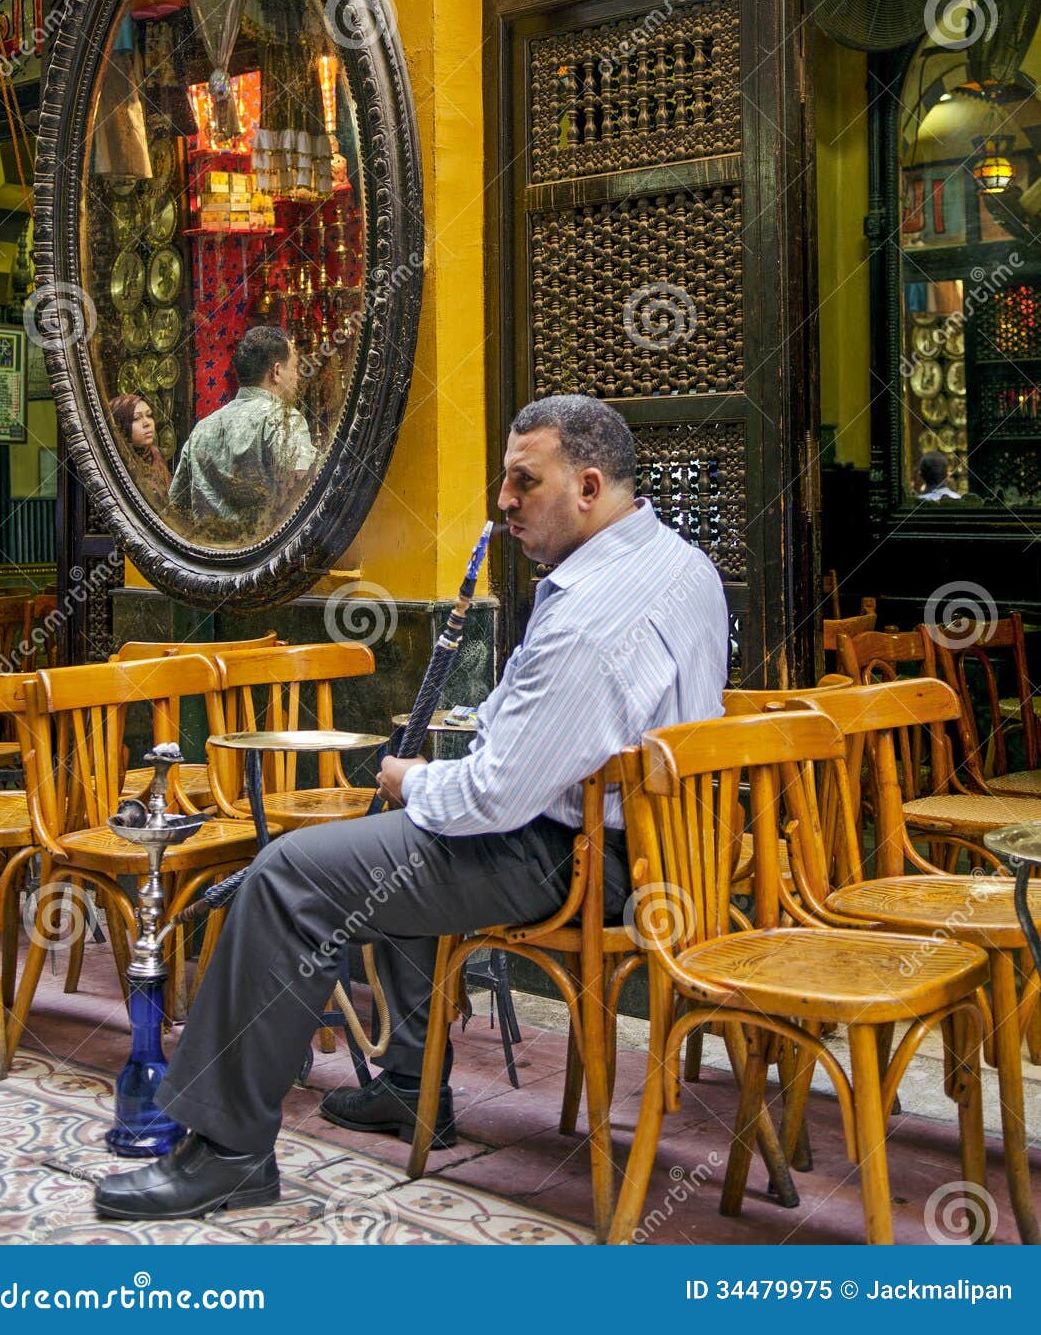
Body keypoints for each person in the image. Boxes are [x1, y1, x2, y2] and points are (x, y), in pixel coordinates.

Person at [94, 393, 729, 1221]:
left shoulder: (591, 616)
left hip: (574, 860)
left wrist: (410, 781)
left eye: (522, 482)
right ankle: (408, 1083)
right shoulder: (684, 564)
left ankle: (226, 1150)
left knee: (289, 875)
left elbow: (495, 796)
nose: (503, 502)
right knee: (389, 847)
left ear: (589, 486)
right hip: (665, 853)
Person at [167, 325, 316, 540]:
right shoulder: (283, 419)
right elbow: (304, 491)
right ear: (275, 372)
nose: (298, 377)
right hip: (268, 562)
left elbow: (177, 507)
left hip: (209, 564)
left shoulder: (202, 429)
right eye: (294, 368)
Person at [109, 393, 170, 507]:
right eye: (136, 418)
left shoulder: (155, 455)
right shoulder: (116, 462)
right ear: (120, 425)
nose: (147, 423)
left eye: (149, 415)